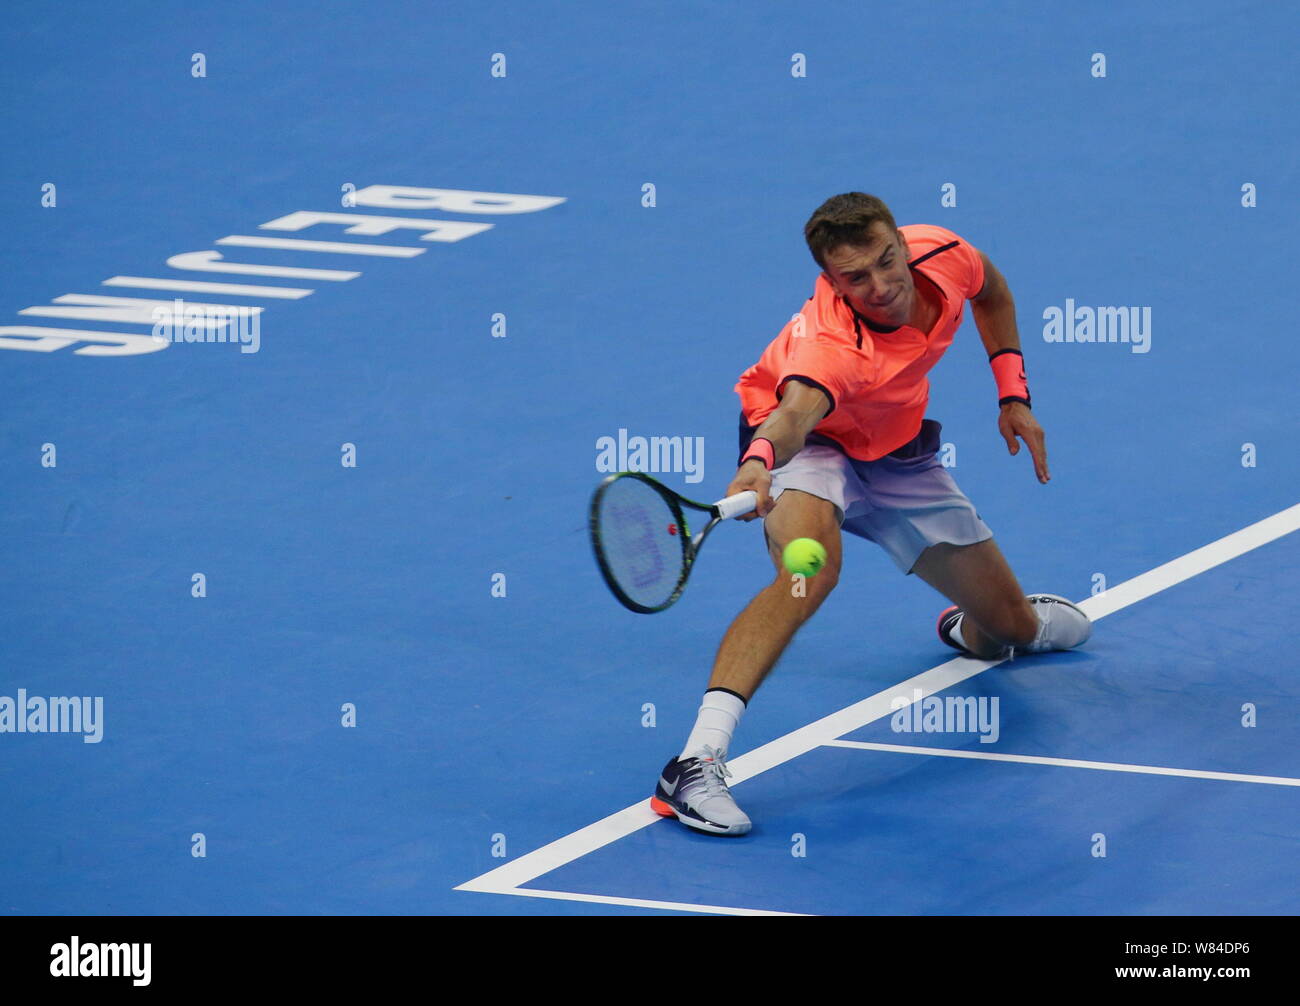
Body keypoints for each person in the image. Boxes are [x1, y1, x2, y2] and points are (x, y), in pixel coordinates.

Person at [650, 192, 1092, 836]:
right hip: (806, 448)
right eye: (854, 278)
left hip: (894, 448)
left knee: (1015, 632)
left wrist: (1013, 393)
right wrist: (760, 460)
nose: (881, 286)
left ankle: (978, 627)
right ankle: (694, 765)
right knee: (810, 571)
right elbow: (797, 412)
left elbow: (991, 290)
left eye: (888, 261)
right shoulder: (830, 349)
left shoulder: (944, 252)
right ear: (831, 281)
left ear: (903, 245)